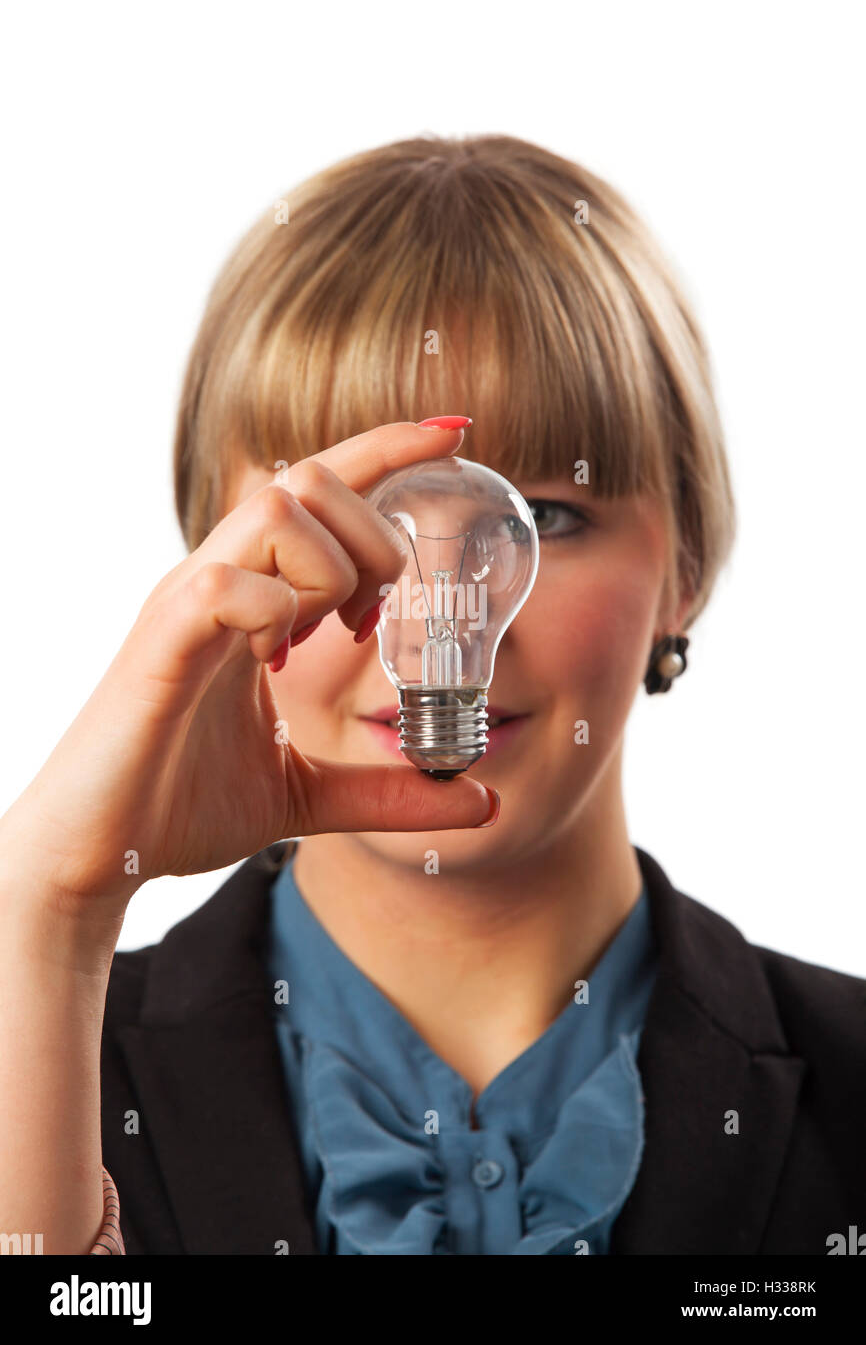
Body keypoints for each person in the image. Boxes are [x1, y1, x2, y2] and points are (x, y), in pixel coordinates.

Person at [1, 135, 862, 1256]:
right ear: (219, 565)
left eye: (542, 516)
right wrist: (46, 922)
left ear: (683, 569)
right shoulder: (44, 1064)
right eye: (349, 519)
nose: (433, 613)